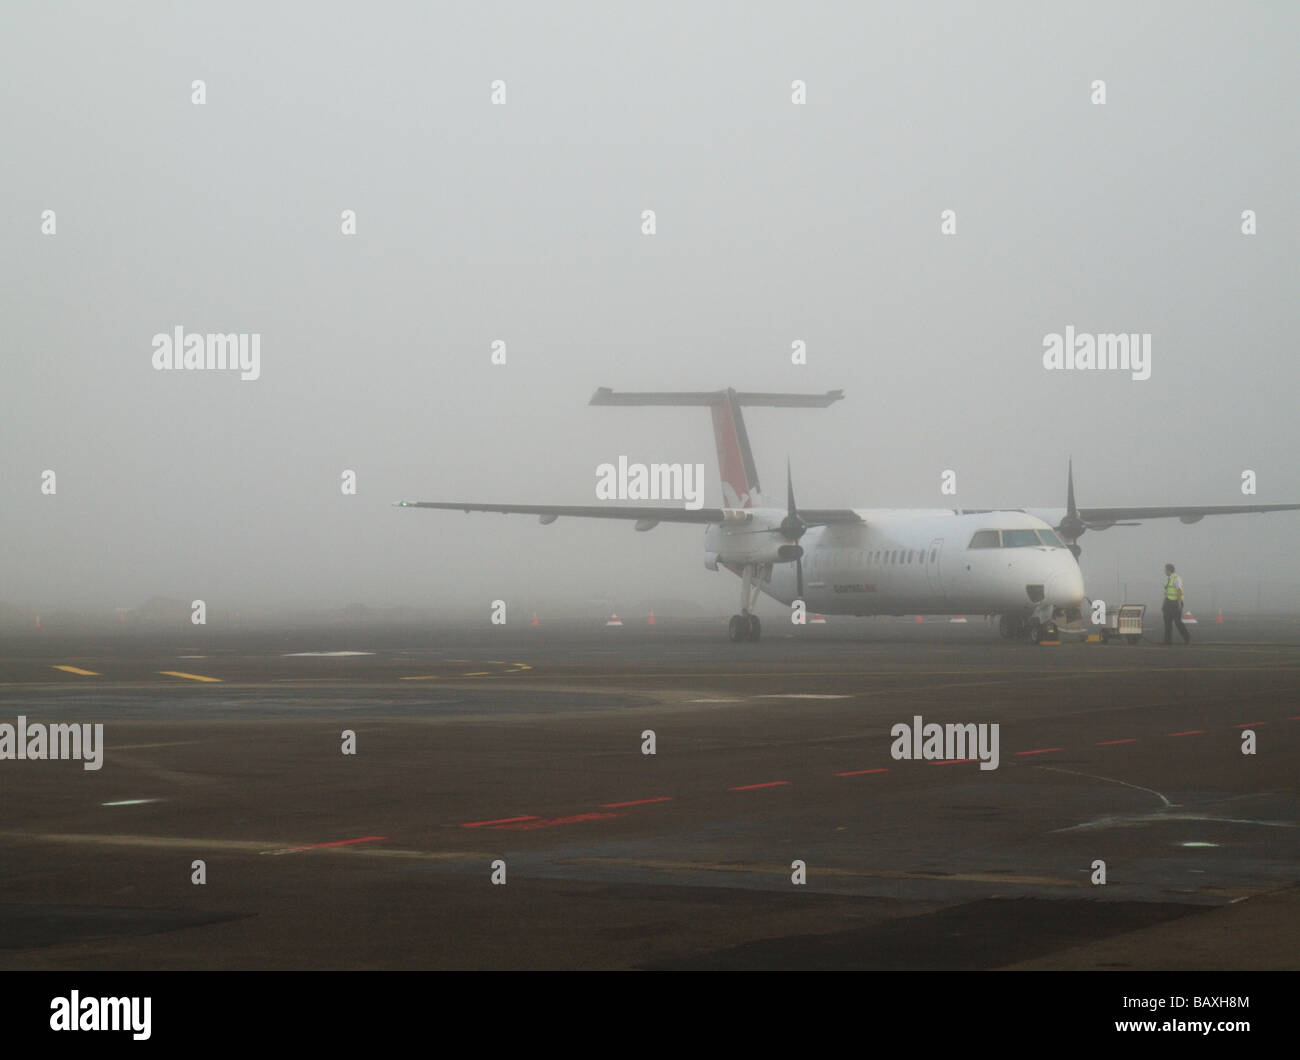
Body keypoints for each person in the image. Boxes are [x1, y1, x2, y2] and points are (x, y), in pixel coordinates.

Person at [1162, 563, 1190, 645]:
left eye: (1165, 570)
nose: (1164, 571)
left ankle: (1187, 637)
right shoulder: (1168, 579)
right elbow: (1167, 592)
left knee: (1177, 622)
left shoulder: (1176, 578)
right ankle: (1167, 641)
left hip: (1175, 603)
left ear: (1169, 570)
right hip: (1168, 603)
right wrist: (1164, 603)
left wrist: (1179, 603)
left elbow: (1179, 590)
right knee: (1167, 622)